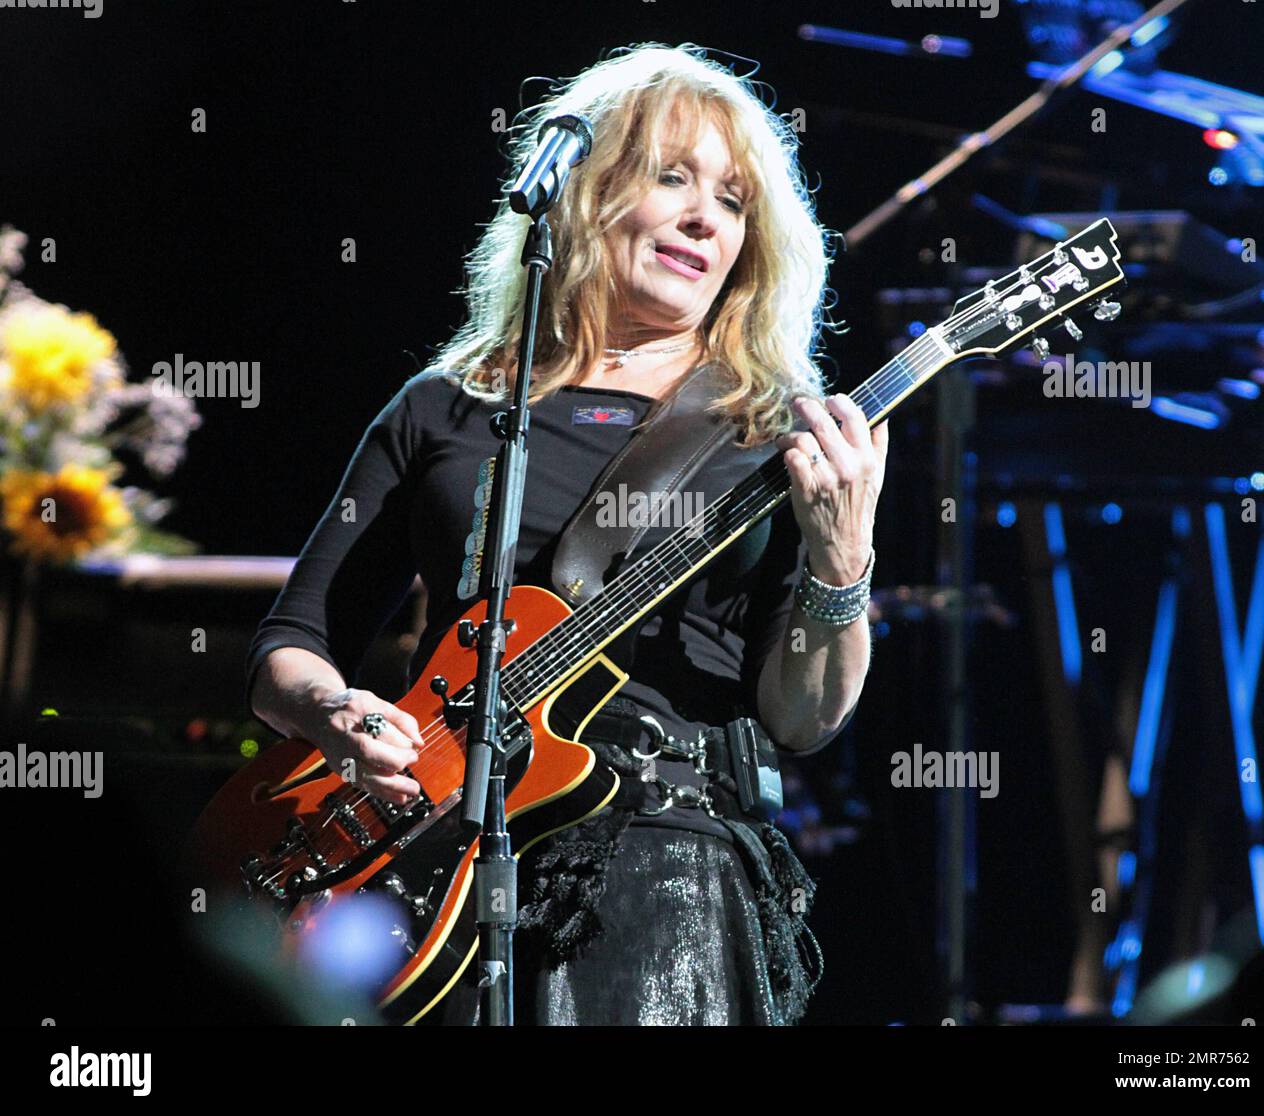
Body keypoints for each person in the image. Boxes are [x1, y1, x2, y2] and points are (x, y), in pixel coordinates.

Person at [245, 42, 888, 1026]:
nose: (704, 217)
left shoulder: (773, 431)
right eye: (671, 178)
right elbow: (289, 643)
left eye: (733, 199)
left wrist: (841, 565)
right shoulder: (448, 406)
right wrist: (336, 715)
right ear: (586, 192)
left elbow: (803, 719)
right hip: (431, 861)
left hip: (668, 876)